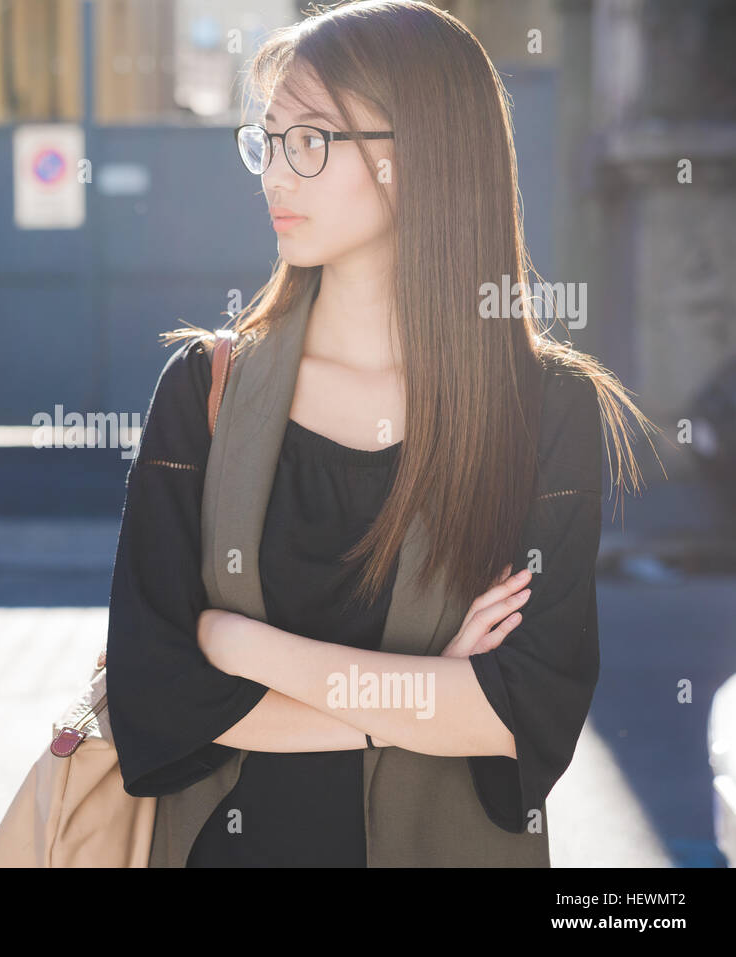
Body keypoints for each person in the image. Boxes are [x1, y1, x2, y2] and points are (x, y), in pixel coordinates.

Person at [104, 0, 663, 867]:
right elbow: (156, 698)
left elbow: (525, 713)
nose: (277, 176)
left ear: (427, 154)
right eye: (269, 139)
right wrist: (424, 694)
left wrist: (241, 643)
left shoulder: (545, 408)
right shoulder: (204, 391)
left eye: (313, 139)